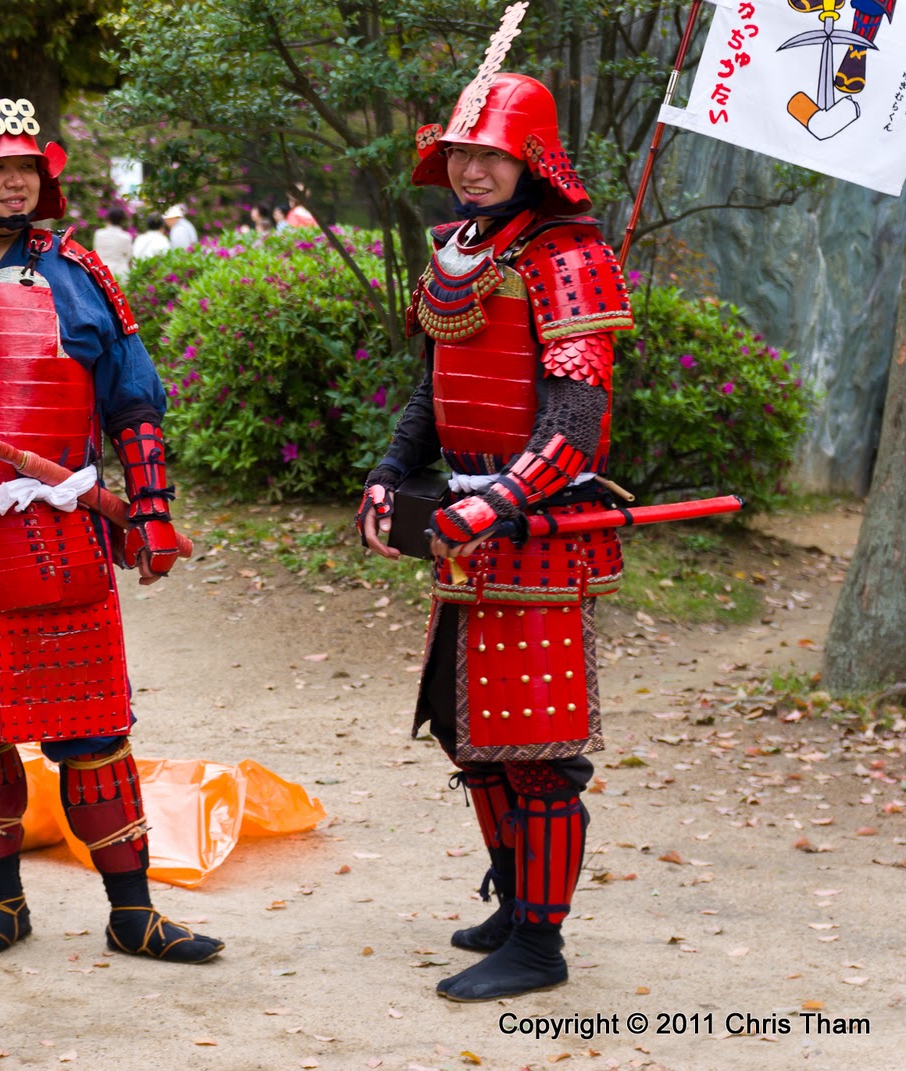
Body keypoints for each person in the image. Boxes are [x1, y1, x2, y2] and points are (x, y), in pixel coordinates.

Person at [0, 97, 224, 965]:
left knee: (95, 734)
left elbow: (135, 405)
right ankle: (1, 905)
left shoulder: (77, 273)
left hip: (60, 535)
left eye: (26, 165)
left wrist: (151, 511)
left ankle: (132, 911)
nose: (17, 179)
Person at [354, 73, 632, 1003]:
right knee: (467, 733)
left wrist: (504, 497)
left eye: (491, 154)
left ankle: (541, 944)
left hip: (538, 536)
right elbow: (434, 394)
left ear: (533, 158)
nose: (472, 170)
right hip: (464, 534)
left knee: (536, 749)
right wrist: (391, 473)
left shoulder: (566, 256)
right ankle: (517, 901)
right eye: (461, 154)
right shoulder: (459, 250)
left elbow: (576, 420)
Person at [92, 205, 133, 280]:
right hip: (121, 272)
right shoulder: (126, 237)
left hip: (102, 271)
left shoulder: (99, 234)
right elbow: (128, 256)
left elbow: (96, 252)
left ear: (108, 218)